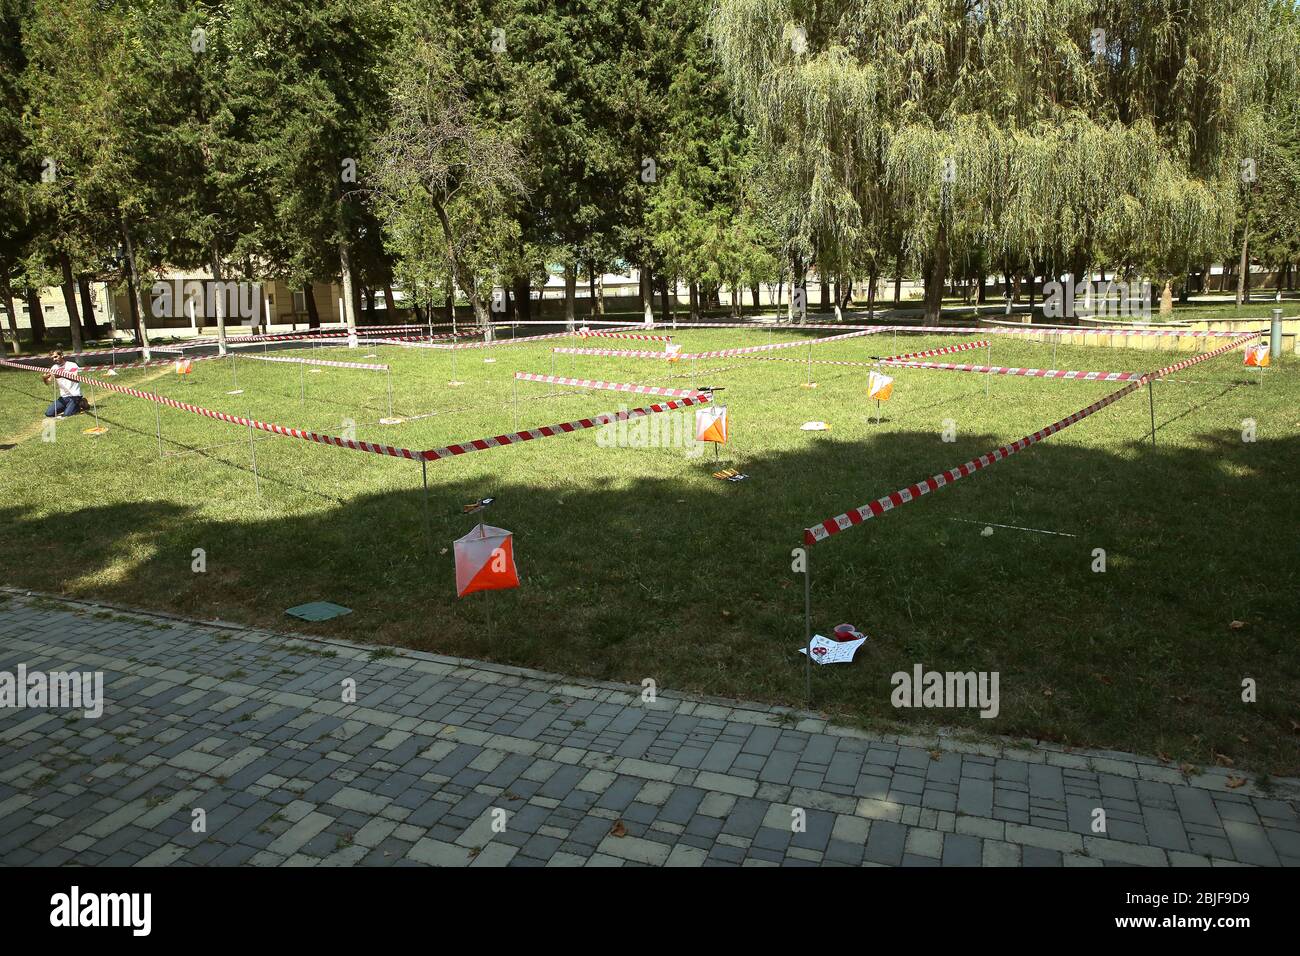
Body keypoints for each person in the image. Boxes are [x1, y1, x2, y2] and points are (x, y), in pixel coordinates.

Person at [42, 350, 83, 418]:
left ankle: (81, 403)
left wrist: (61, 375)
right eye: (52, 358)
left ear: (62, 355)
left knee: (67, 415)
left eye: (56, 357)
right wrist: (44, 378)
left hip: (75, 395)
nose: (54, 359)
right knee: (49, 413)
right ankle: (70, 407)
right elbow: (48, 382)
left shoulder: (72, 365)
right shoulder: (54, 368)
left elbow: (76, 379)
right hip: (63, 397)